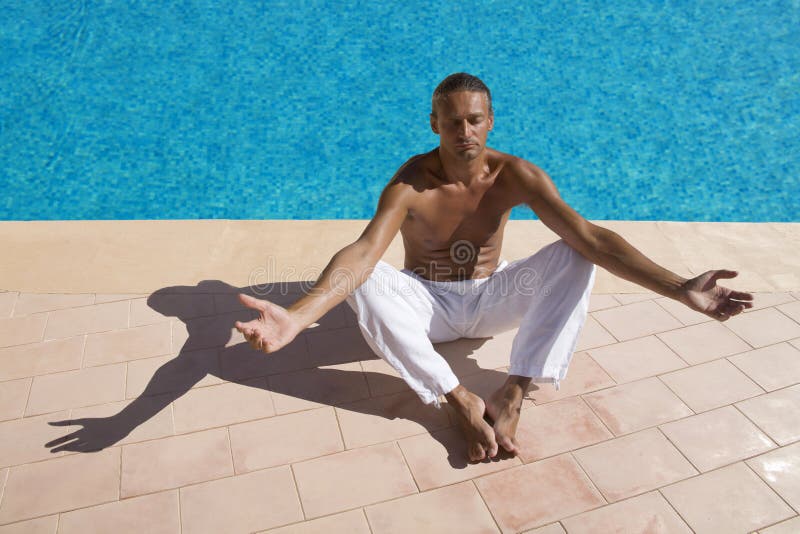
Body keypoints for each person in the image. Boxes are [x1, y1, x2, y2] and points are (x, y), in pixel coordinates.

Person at [235, 72, 754, 462]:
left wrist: (679, 286)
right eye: (453, 120)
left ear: (490, 120)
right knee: (366, 284)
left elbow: (592, 237)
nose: (465, 130)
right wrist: (298, 317)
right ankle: (456, 398)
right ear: (434, 123)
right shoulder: (410, 182)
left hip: (492, 297)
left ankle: (515, 389)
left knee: (576, 252)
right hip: (428, 302)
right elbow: (364, 253)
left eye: (475, 119)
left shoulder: (516, 174)